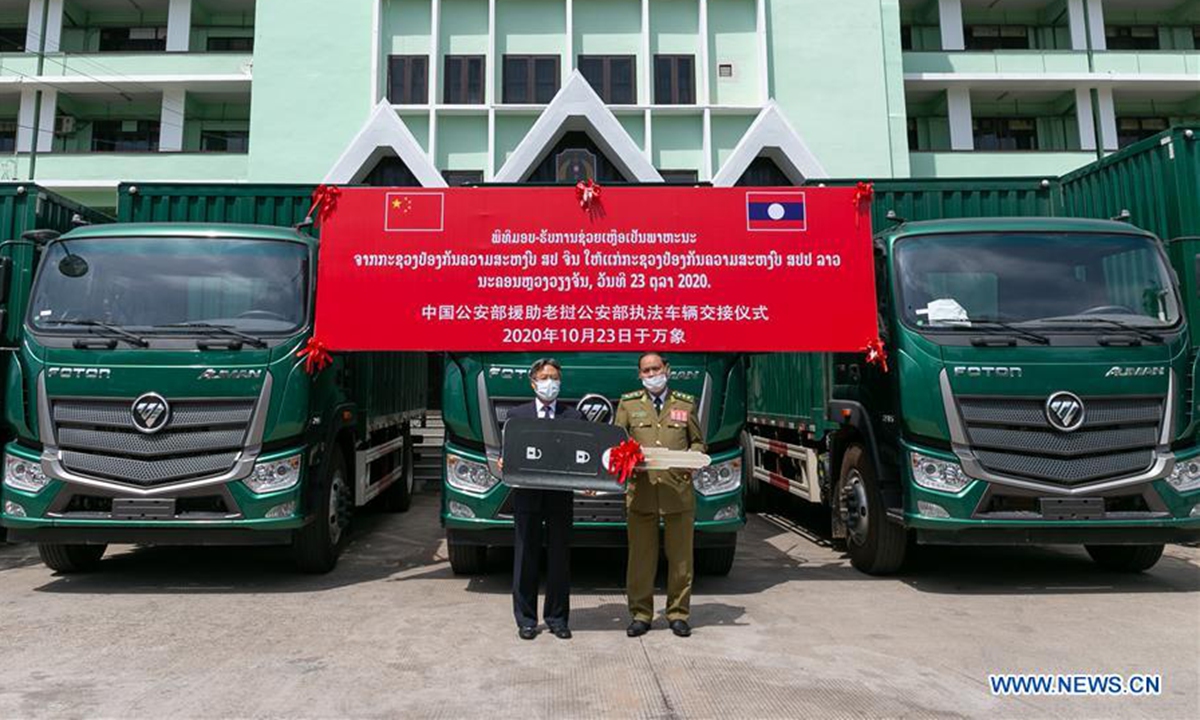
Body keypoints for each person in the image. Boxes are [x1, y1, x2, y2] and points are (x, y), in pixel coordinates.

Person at [614, 352, 704, 638]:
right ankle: (641, 614)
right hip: (642, 491)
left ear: (667, 369)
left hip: (677, 490)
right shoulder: (628, 404)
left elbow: (698, 442)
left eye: (656, 368)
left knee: (681, 559)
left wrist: (693, 459)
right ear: (639, 375)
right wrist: (626, 461)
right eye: (646, 370)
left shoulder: (685, 403)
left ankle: (678, 614)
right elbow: (616, 444)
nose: (652, 374)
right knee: (641, 559)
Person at [504, 358, 582, 640]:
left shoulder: (573, 416)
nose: (550, 383)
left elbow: (580, 454)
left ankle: (557, 619)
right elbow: (509, 450)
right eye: (544, 377)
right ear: (533, 383)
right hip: (527, 495)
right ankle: (526, 619)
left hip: (560, 496)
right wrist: (505, 461)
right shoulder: (517, 415)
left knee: (559, 557)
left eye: (554, 378)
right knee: (526, 556)